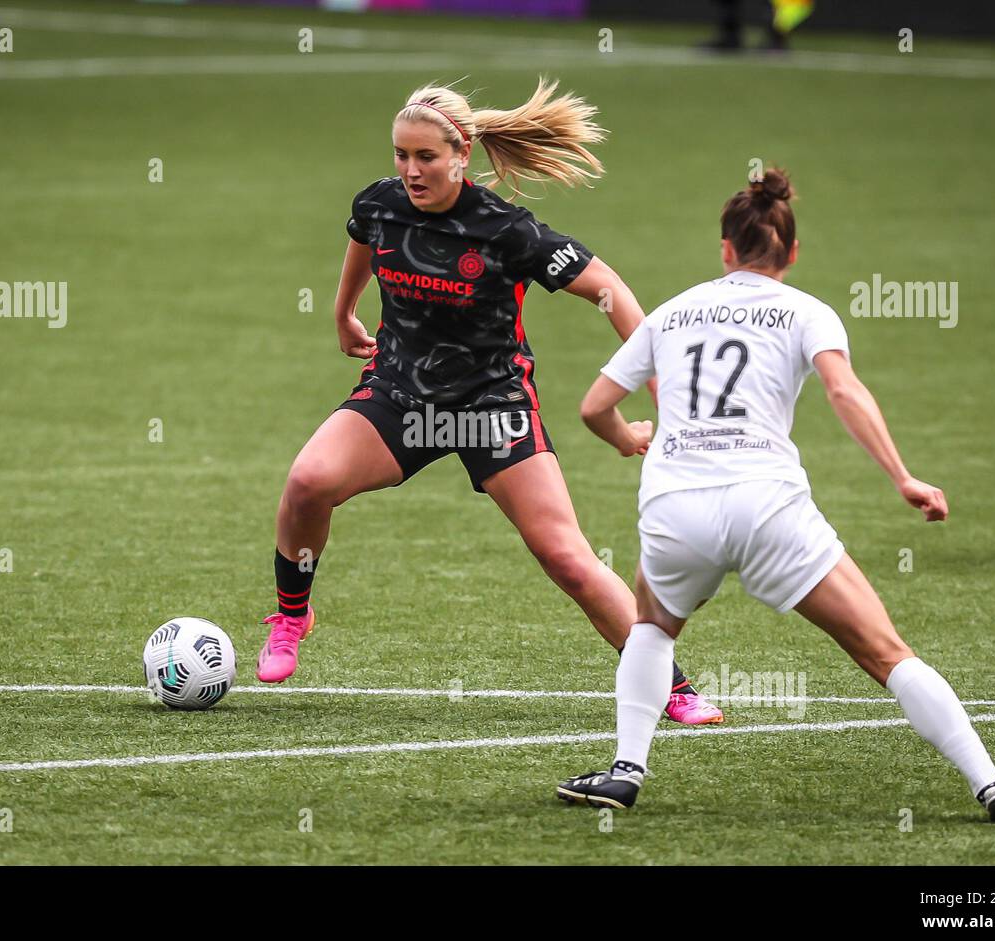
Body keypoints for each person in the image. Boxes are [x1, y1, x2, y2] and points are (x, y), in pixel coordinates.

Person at [556, 170, 995, 823]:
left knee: (651, 623)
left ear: (725, 249)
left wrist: (626, 437)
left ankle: (625, 772)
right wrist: (902, 477)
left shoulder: (672, 312)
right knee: (885, 651)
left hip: (677, 505)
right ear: (792, 253)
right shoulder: (807, 310)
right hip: (768, 506)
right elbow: (844, 391)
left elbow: (594, 407)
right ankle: (994, 789)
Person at [257, 78, 722, 725]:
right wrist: (344, 314)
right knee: (308, 481)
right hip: (399, 395)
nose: (410, 171)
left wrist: (653, 374)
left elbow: (607, 287)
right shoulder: (382, 203)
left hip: (491, 406)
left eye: (425, 157)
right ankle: (290, 615)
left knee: (566, 556)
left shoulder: (506, 230)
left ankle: (671, 685)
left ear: (462, 153)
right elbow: (363, 235)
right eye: (400, 155)